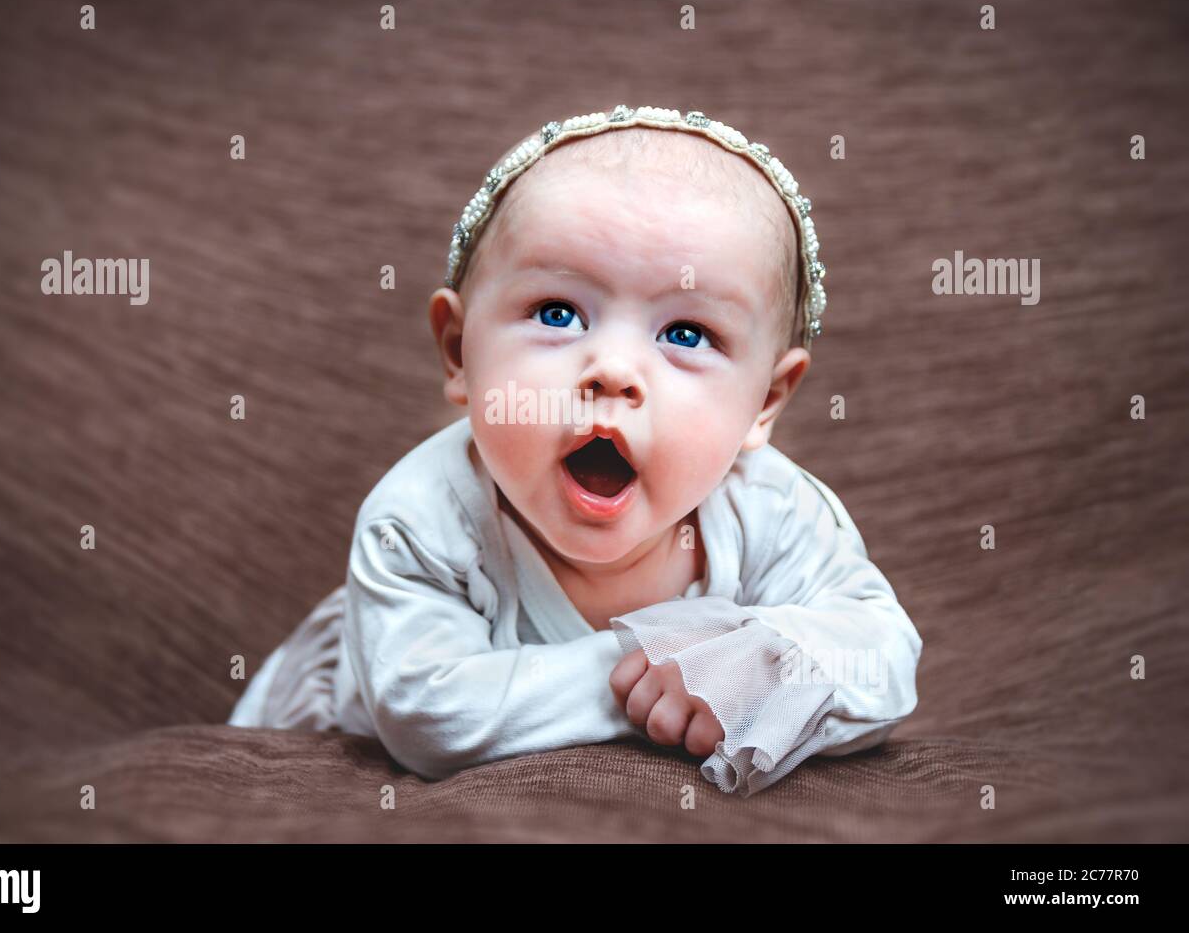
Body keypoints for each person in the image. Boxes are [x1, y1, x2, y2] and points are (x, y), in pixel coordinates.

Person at [229, 105, 922, 796]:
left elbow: (882, 658)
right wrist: (652, 665)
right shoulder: (419, 518)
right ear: (457, 354)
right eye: (558, 314)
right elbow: (429, 718)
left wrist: (767, 670)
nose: (613, 370)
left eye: (685, 334)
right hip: (324, 735)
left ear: (764, 401)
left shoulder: (771, 510)